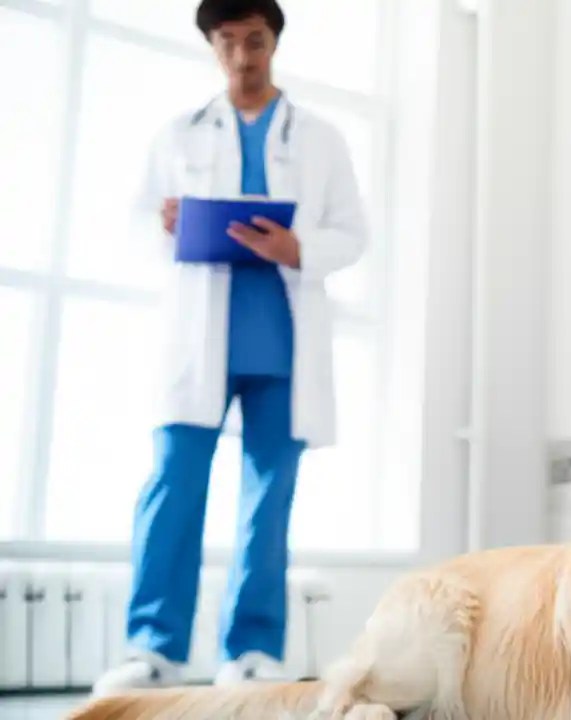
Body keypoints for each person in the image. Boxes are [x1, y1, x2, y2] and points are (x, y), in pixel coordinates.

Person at [92, 0, 367, 695]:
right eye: (228, 41)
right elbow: (138, 227)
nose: (243, 55)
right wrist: (165, 225)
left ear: (274, 42)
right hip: (198, 342)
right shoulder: (178, 135)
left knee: (267, 503)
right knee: (172, 490)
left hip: (281, 342)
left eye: (255, 40)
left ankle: (251, 650)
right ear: (212, 47)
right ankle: (153, 649)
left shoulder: (321, 139)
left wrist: (297, 246)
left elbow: (352, 232)